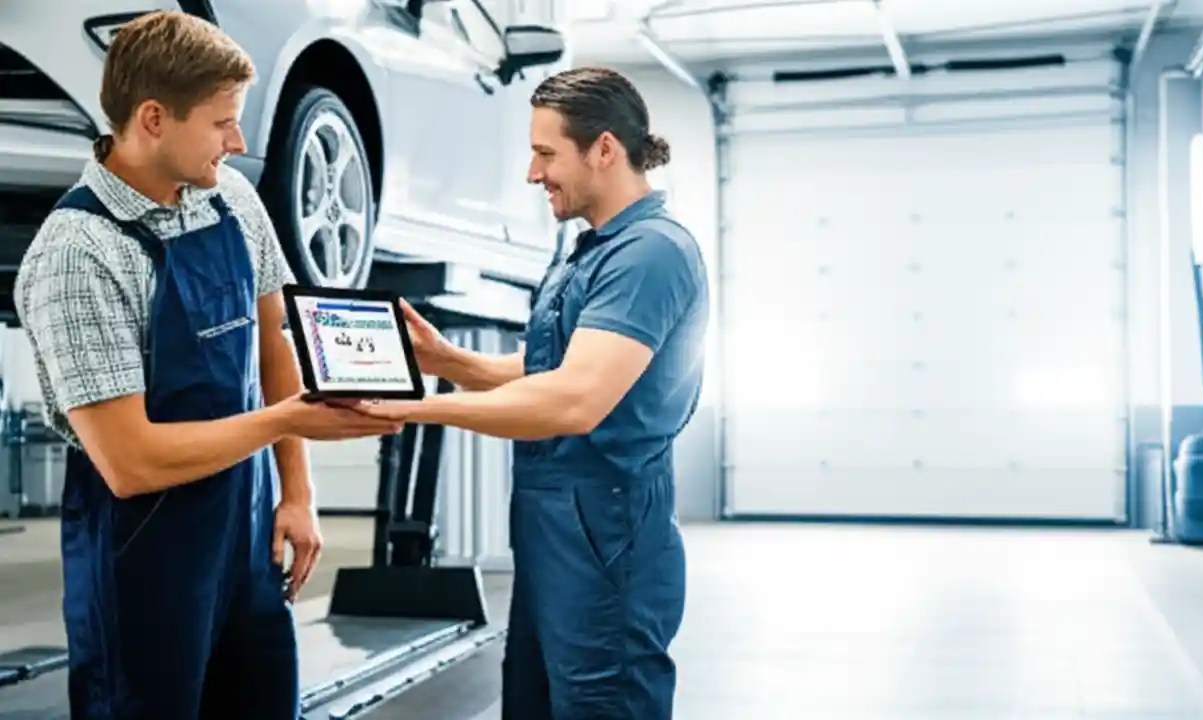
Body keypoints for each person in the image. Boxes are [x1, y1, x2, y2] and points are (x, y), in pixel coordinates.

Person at [13, 12, 401, 719]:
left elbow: (273, 340)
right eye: (223, 122)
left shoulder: (233, 199)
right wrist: (285, 422)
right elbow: (131, 461)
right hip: (140, 559)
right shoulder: (78, 255)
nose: (241, 141)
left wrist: (297, 492)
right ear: (154, 119)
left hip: (245, 542)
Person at [352, 66, 709, 719]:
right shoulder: (592, 250)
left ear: (604, 148)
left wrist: (416, 408)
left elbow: (573, 401)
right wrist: (446, 359)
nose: (532, 173)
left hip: (607, 536)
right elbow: (548, 368)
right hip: (557, 534)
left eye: (546, 154)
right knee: (537, 700)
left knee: (602, 701)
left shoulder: (648, 254)